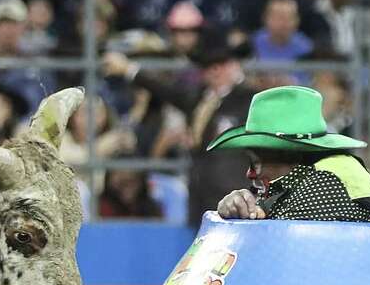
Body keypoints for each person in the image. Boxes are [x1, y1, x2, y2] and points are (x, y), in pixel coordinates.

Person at [103, 30, 256, 227]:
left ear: (233, 66)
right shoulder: (200, 99)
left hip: (233, 195)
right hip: (200, 195)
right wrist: (129, 70)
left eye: (220, 65)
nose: (214, 71)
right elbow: (164, 89)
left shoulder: (250, 100)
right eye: (208, 66)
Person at [210, 86, 370, 223]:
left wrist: (246, 218)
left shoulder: (323, 185)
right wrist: (234, 208)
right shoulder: (303, 177)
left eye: (256, 162)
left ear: (292, 155)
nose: (250, 174)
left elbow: (273, 256)